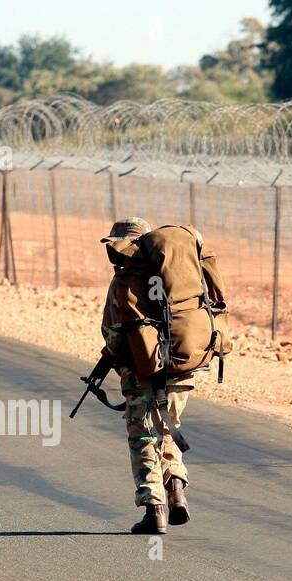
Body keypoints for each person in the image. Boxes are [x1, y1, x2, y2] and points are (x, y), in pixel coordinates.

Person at [98, 218, 193, 535]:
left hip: (141, 375)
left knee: (143, 438)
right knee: (169, 430)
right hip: (180, 369)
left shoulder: (124, 281)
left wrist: (116, 356)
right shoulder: (177, 277)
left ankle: (155, 511)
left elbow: (112, 336)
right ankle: (176, 488)